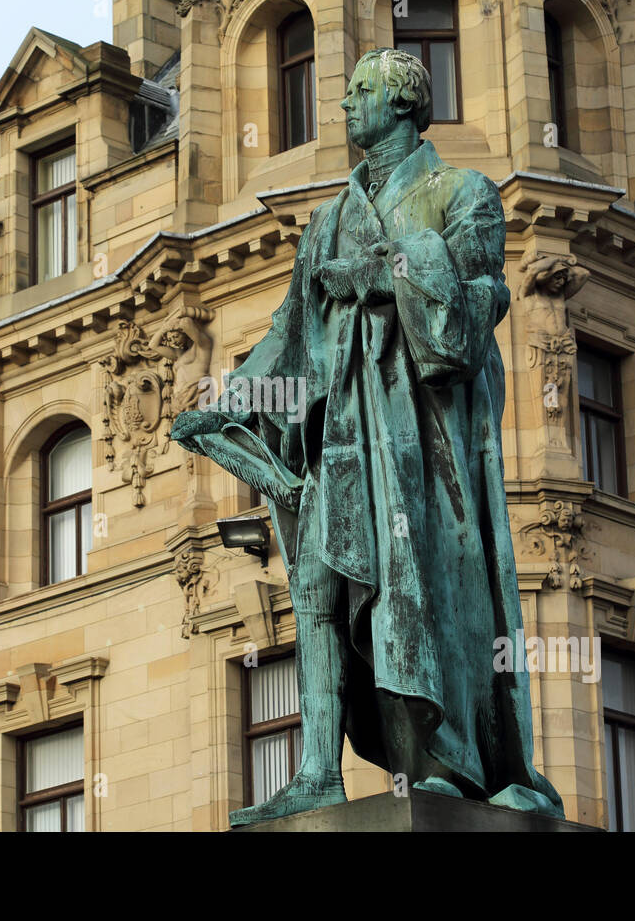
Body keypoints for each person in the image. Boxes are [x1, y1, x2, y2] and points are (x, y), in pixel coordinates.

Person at [171, 48, 565, 826]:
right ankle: (318, 769)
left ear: (404, 102)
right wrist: (224, 401)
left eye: (358, 93)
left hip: (425, 442)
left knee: (431, 590)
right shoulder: (324, 222)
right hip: (340, 441)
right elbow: (289, 334)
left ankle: (446, 757)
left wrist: (381, 275)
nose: (344, 106)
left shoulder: (463, 193)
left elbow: (480, 302)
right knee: (316, 586)